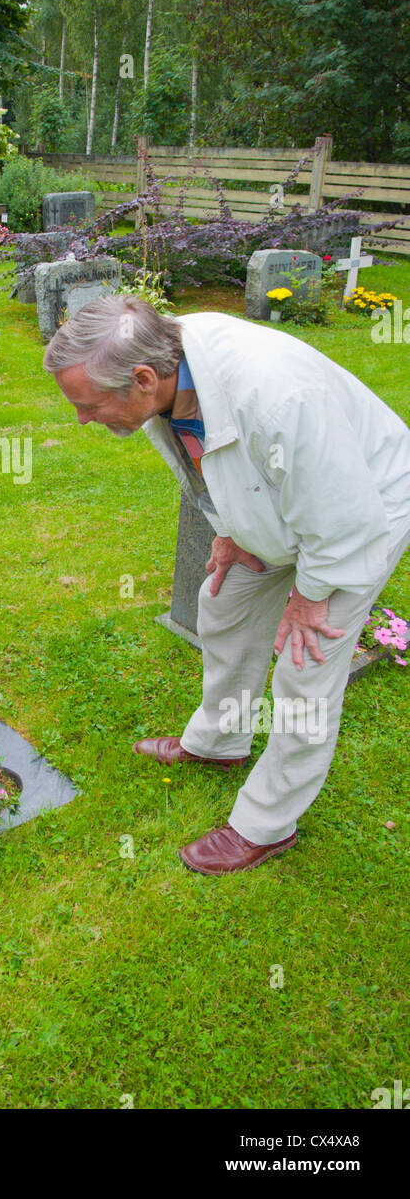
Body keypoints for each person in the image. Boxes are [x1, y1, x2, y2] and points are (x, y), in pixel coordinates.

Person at [43, 297, 410, 874]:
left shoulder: (277, 397)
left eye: (88, 405)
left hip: (359, 514)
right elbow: (203, 458)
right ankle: (219, 743)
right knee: (223, 604)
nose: (83, 419)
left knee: (305, 667)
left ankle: (266, 824)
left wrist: (310, 598)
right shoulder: (171, 360)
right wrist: (230, 530)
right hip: (286, 493)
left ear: (143, 379)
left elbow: (343, 516)